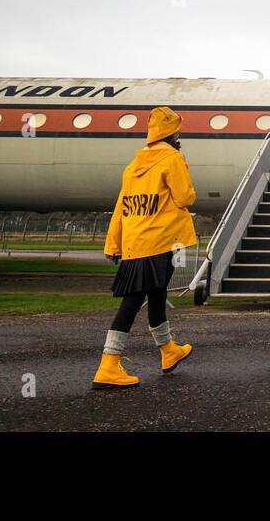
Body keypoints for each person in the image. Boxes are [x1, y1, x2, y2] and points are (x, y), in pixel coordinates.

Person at [92, 106, 197, 389]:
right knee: (134, 301)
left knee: (157, 294)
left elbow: (120, 208)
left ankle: (168, 351)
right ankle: (108, 365)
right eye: (177, 130)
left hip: (135, 242)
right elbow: (185, 197)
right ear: (171, 132)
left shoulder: (133, 167)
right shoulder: (172, 158)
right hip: (160, 240)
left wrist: (113, 243)